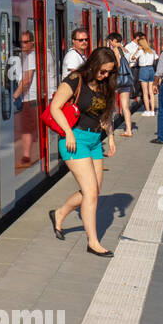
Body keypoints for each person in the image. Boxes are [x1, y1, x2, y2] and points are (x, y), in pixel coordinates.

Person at [48, 47, 119, 257]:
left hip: (95, 140)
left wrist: (111, 136)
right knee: (90, 193)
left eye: (109, 72)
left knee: (93, 192)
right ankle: (93, 242)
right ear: (94, 65)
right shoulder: (75, 79)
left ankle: (60, 213)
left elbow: (106, 115)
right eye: (103, 71)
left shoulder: (105, 85)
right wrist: (68, 133)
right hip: (74, 139)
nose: (105, 76)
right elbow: (55, 107)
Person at [12, 31, 38, 167]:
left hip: (29, 98)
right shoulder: (29, 56)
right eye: (21, 42)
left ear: (32, 42)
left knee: (27, 129)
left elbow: (27, 80)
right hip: (31, 97)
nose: (23, 44)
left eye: (26, 42)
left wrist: (15, 95)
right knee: (31, 128)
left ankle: (27, 156)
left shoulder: (31, 57)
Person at [108, 31, 135, 138]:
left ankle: (110, 131)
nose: (110, 43)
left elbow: (118, 65)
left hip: (117, 80)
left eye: (110, 41)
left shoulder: (115, 50)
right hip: (126, 80)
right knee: (125, 107)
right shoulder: (125, 50)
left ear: (114, 41)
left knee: (110, 106)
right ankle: (129, 130)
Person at [136, 36, 158, 115]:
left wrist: (137, 51)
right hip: (151, 70)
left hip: (143, 70)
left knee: (145, 93)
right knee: (151, 92)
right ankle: (152, 111)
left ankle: (148, 111)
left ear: (141, 45)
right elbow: (156, 58)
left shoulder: (140, 51)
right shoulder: (152, 51)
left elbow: (132, 58)